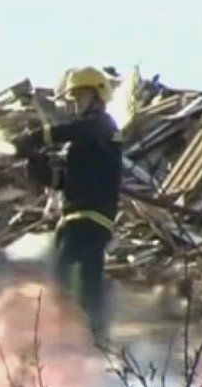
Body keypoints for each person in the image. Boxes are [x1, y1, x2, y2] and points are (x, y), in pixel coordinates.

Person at [10, 67, 122, 346]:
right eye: (72, 98)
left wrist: (36, 137)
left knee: (76, 276)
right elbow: (64, 180)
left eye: (80, 96)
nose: (75, 103)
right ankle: (75, 337)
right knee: (65, 276)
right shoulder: (82, 143)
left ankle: (93, 340)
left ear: (98, 96)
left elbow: (72, 131)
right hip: (73, 218)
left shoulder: (103, 127)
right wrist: (37, 165)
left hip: (93, 219)